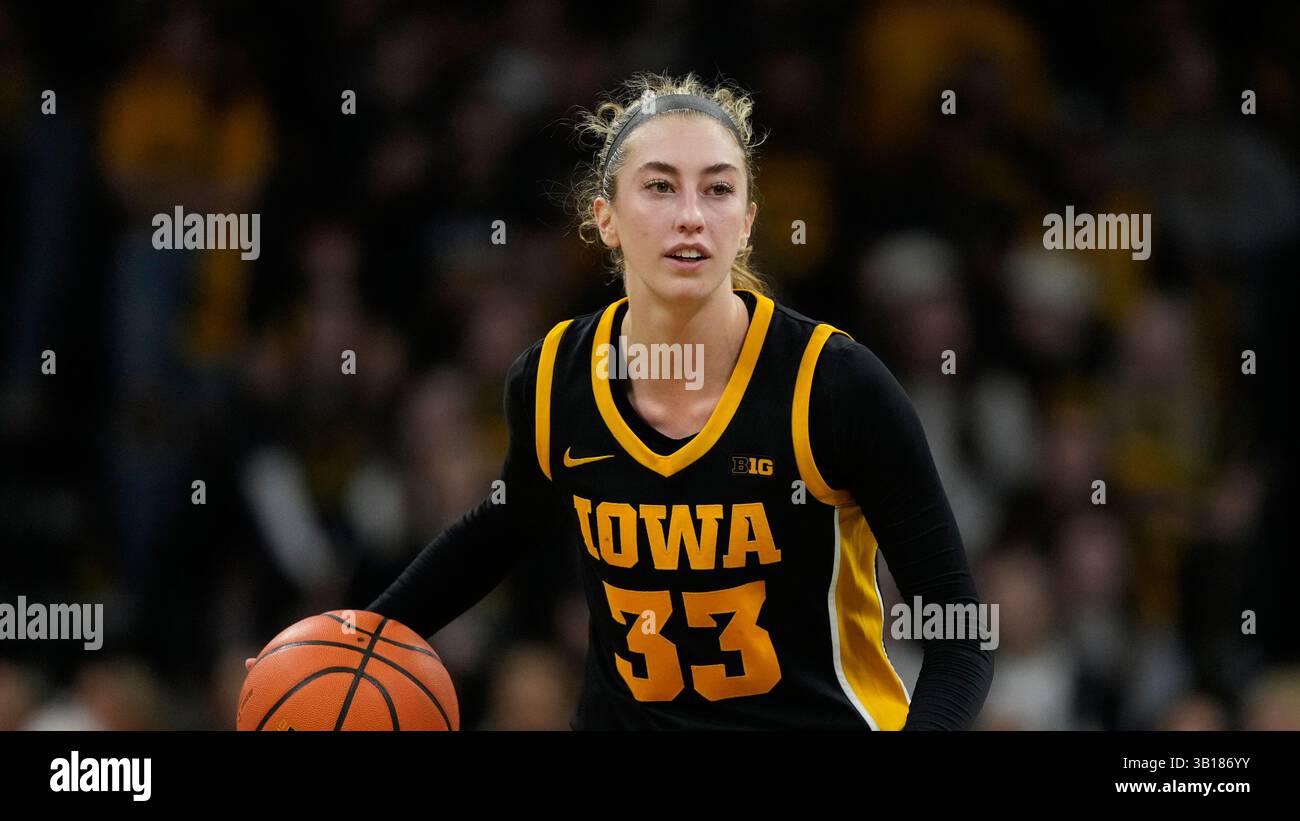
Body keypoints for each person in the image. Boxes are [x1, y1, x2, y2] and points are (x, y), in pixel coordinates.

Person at [249, 72, 993, 729]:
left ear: (748, 222)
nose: (691, 214)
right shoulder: (552, 379)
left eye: (719, 187)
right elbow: (500, 528)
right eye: (660, 185)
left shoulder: (833, 384)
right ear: (605, 219)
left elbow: (960, 631)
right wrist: (351, 641)